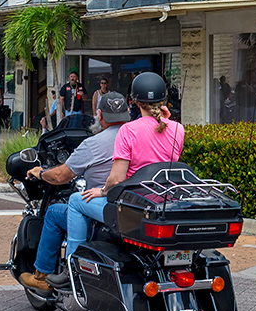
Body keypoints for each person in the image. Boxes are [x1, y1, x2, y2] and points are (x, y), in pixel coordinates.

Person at [19, 91, 131, 292]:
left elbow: (61, 176)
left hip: (103, 208)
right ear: (127, 112)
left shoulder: (93, 143)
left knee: (54, 212)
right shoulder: (135, 137)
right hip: (131, 205)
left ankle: (43, 276)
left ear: (100, 115)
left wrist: (40, 172)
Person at [66, 72, 185, 256]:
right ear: (164, 100)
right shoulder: (178, 129)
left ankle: (72, 263)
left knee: (75, 201)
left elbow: (116, 179)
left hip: (133, 205)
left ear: (135, 102)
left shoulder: (129, 130)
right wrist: (167, 119)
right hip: (164, 201)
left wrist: (102, 191)